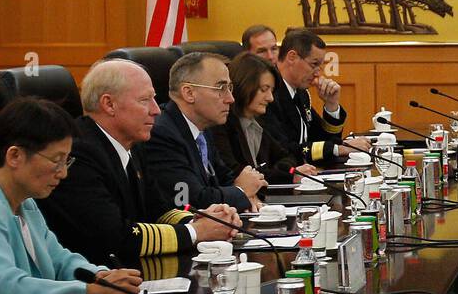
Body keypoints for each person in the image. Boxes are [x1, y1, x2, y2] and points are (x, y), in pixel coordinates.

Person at [38, 59, 240, 274]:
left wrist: (204, 219)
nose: (156, 110)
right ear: (109, 104)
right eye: (145, 100)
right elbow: (115, 237)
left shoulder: (133, 144)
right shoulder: (79, 153)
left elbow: (158, 209)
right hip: (98, 284)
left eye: (154, 99)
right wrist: (195, 232)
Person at [0, 98, 141, 294]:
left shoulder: (27, 203)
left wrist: (101, 275)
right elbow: (6, 286)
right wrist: (87, 289)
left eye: (66, 161)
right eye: (56, 161)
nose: (63, 173)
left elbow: (61, 260)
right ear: (15, 156)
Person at [142, 52, 264, 216]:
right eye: (221, 88)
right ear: (189, 93)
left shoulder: (202, 128)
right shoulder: (162, 134)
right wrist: (241, 192)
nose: (230, 98)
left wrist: (248, 194)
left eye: (230, 88)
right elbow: (188, 201)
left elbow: (225, 178)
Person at [209, 52, 317, 186]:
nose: (270, 98)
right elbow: (235, 174)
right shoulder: (220, 124)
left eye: (271, 91)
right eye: (264, 89)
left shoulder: (259, 120)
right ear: (244, 85)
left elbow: (287, 157)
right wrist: (283, 175)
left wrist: (280, 172)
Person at [264, 29, 369, 164]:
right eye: (314, 64)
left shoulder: (300, 93)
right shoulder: (269, 94)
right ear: (292, 57)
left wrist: (331, 105)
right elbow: (283, 149)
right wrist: (338, 149)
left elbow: (320, 139)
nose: (318, 73)